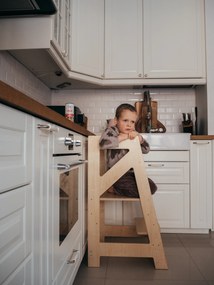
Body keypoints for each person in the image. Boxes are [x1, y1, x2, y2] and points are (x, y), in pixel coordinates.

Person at [99, 103, 157, 198]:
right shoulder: (112, 131)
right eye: (125, 120)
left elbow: (146, 150)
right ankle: (113, 188)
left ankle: (116, 188)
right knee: (143, 190)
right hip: (115, 175)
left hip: (131, 173)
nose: (129, 124)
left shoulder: (133, 134)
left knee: (151, 187)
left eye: (133, 122)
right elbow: (103, 143)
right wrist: (122, 137)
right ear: (116, 121)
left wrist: (140, 139)